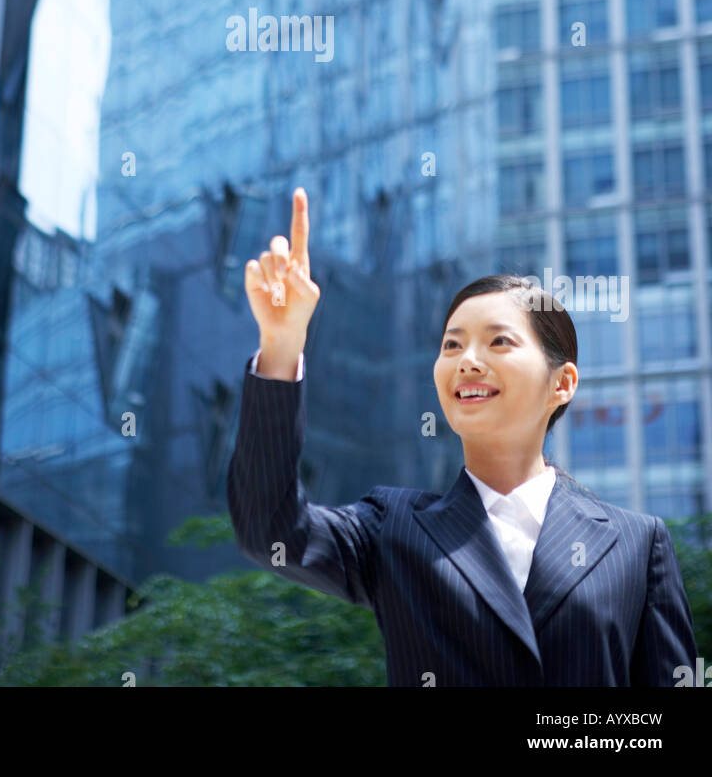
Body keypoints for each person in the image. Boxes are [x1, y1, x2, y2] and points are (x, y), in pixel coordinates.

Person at [227, 187, 698, 687]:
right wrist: (281, 347)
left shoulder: (634, 544)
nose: (467, 359)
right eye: (452, 344)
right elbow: (270, 531)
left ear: (561, 384)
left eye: (499, 341)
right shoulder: (395, 528)